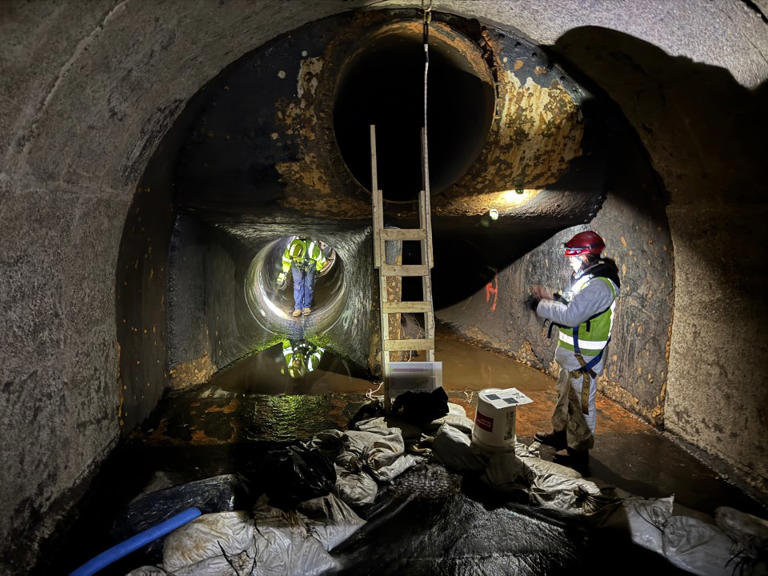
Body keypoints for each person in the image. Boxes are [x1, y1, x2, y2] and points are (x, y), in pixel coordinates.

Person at [530, 230, 620, 473]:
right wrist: (551, 297)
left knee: (581, 407)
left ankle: (579, 455)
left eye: (573, 254)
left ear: (585, 256)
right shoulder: (588, 278)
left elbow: (571, 316)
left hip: (584, 361)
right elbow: (572, 303)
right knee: (564, 399)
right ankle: (561, 436)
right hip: (572, 357)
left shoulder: (600, 285)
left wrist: (541, 306)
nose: (569, 259)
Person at [276, 236, 327, 317]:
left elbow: (322, 261)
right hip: (296, 265)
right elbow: (286, 260)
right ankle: (298, 308)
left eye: (298, 257)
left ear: (302, 252)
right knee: (297, 285)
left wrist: (317, 269)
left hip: (310, 264)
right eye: (294, 257)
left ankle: (307, 307)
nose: (296, 258)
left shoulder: (312, 249)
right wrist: (285, 272)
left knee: (309, 285)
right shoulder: (290, 248)